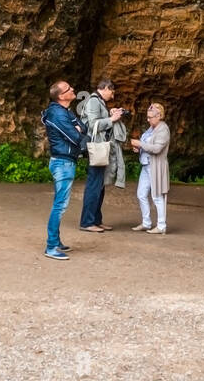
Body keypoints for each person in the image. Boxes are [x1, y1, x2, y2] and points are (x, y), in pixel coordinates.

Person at [41, 80, 86, 260]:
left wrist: (79, 129)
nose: (73, 88)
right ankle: (51, 247)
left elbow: (83, 127)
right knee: (60, 205)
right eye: (69, 88)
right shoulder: (58, 114)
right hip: (62, 163)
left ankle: (56, 241)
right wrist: (78, 130)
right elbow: (76, 137)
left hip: (65, 161)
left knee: (59, 203)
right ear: (61, 96)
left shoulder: (65, 111)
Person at [76, 77, 125, 233]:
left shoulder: (99, 102)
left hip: (101, 148)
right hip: (96, 149)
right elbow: (92, 124)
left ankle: (96, 220)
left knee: (100, 186)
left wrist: (109, 113)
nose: (113, 95)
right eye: (112, 92)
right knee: (94, 185)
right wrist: (112, 119)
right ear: (106, 88)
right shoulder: (93, 101)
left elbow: (97, 120)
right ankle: (87, 222)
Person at [129, 103, 170, 233]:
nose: (148, 120)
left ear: (159, 116)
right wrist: (138, 148)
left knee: (157, 196)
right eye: (147, 117)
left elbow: (157, 149)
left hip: (156, 166)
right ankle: (146, 223)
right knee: (141, 194)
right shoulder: (151, 128)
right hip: (146, 165)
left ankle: (161, 226)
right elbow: (147, 144)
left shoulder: (163, 129)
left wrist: (140, 144)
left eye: (150, 117)